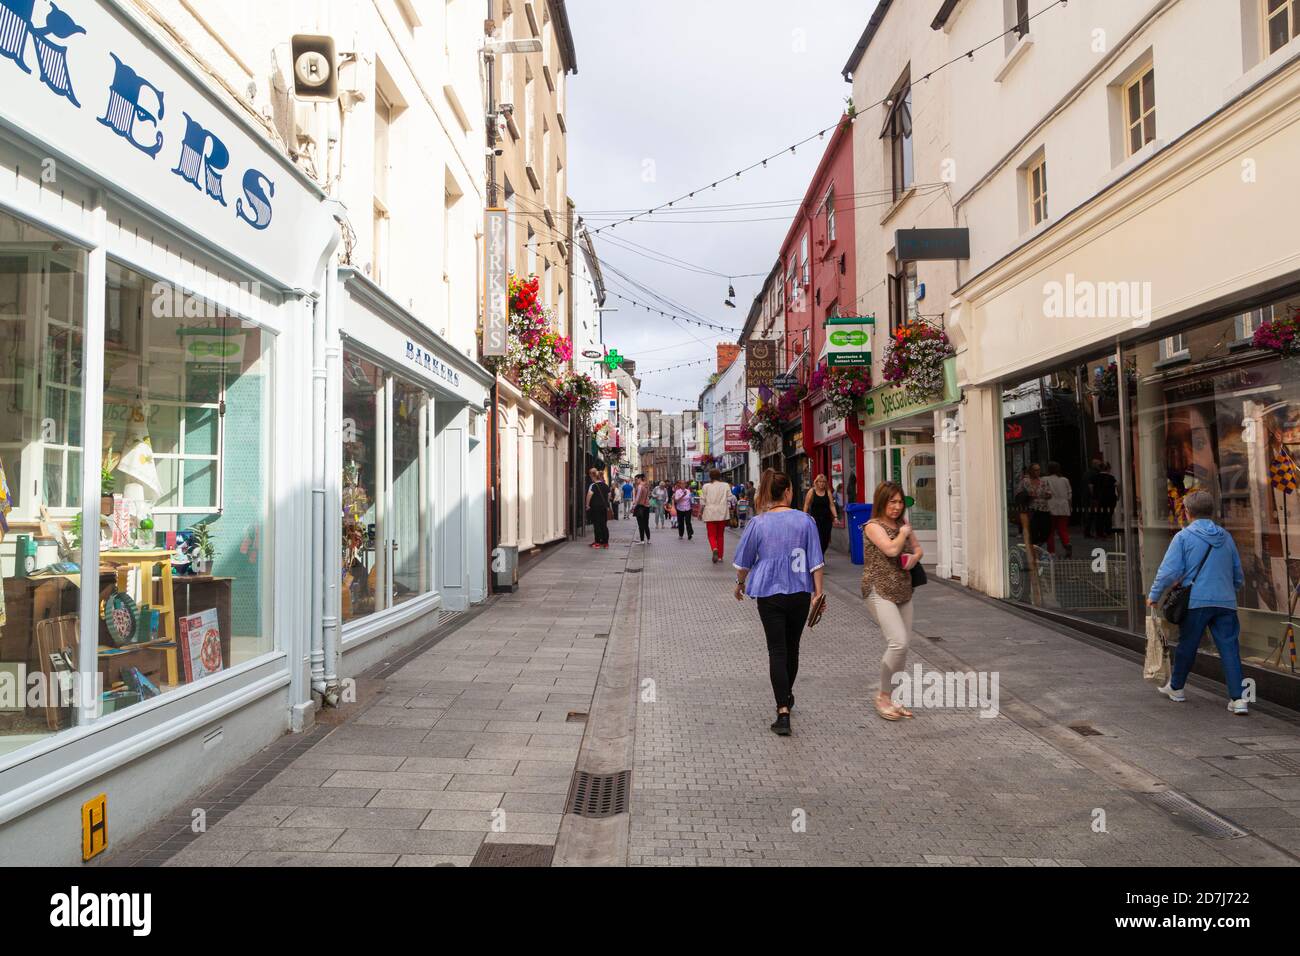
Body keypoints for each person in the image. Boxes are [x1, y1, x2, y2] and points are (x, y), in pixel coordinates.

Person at [732, 469, 825, 737]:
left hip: (769, 594)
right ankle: (787, 693)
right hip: (799, 592)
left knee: (776, 650)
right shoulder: (806, 521)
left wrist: (740, 584)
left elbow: (743, 563)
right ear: (787, 492)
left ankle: (782, 710)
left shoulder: (758, 524)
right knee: (792, 647)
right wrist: (819, 593)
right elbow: (816, 560)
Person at [1146, 490, 1249, 714]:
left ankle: (1177, 688)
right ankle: (1238, 700)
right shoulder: (1226, 536)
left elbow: (1169, 571)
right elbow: (1237, 572)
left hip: (1196, 601)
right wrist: (1233, 588)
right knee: (1230, 649)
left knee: (1188, 646)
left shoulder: (1183, 537)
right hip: (1225, 601)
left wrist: (1154, 595)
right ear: (1211, 511)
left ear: (1187, 511)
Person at [862, 481, 923, 721]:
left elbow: (917, 549)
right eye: (892, 502)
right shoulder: (872, 526)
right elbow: (890, 550)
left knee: (904, 647)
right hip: (878, 589)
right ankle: (882, 696)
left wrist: (914, 558)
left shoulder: (902, 525)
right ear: (882, 502)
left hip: (903, 590)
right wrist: (904, 534)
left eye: (900, 502)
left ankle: (893, 698)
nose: (897, 507)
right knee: (897, 642)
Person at [701, 468, 733, 563]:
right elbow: (730, 498)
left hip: (709, 513)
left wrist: (700, 512)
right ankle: (720, 556)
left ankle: (714, 548)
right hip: (722, 513)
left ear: (710, 476)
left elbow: (702, 501)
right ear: (720, 476)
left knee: (711, 535)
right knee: (720, 535)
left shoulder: (706, 486)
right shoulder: (725, 485)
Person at [803, 473, 839, 556]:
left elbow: (831, 505)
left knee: (825, 540)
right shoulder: (812, 491)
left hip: (827, 520)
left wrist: (836, 517)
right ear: (816, 482)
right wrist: (804, 517)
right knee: (818, 539)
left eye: (823, 482)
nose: (822, 483)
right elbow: (806, 504)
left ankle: (821, 554)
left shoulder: (828, 492)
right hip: (815, 520)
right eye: (820, 481)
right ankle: (819, 557)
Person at [1017, 463, 1052, 547]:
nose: (1037, 472)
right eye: (1035, 470)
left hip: (1044, 509)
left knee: (1046, 531)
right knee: (1033, 531)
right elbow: (1018, 494)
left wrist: (1048, 495)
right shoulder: (1025, 481)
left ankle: (1038, 544)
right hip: (1031, 510)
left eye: (1039, 470)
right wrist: (1027, 495)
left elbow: (1049, 493)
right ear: (1030, 471)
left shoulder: (1044, 481)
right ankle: (1034, 550)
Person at [1044, 461, 1073, 557]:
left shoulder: (1045, 479)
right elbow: (1069, 495)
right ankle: (1066, 543)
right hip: (1064, 507)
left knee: (1050, 531)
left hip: (1050, 507)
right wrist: (1070, 507)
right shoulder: (1065, 480)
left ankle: (1051, 551)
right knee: (1063, 529)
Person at [585, 468, 610, 549]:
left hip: (595, 508)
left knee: (597, 525)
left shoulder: (593, 485)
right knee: (604, 524)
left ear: (594, 477)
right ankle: (605, 543)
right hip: (603, 508)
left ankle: (597, 543)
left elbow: (589, 495)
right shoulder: (605, 485)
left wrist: (587, 505)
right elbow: (609, 496)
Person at [632, 474, 653, 544]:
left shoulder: (640, 486)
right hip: (647, 506)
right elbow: (648, 496)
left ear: (640, 479)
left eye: (636, 479)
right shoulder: (646, 486)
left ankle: (642, 540)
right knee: (646, 524)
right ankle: (649, 539)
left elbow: (637, 497)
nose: (636, 481)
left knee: (641, 524)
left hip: (640, 506)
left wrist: (634, 506)